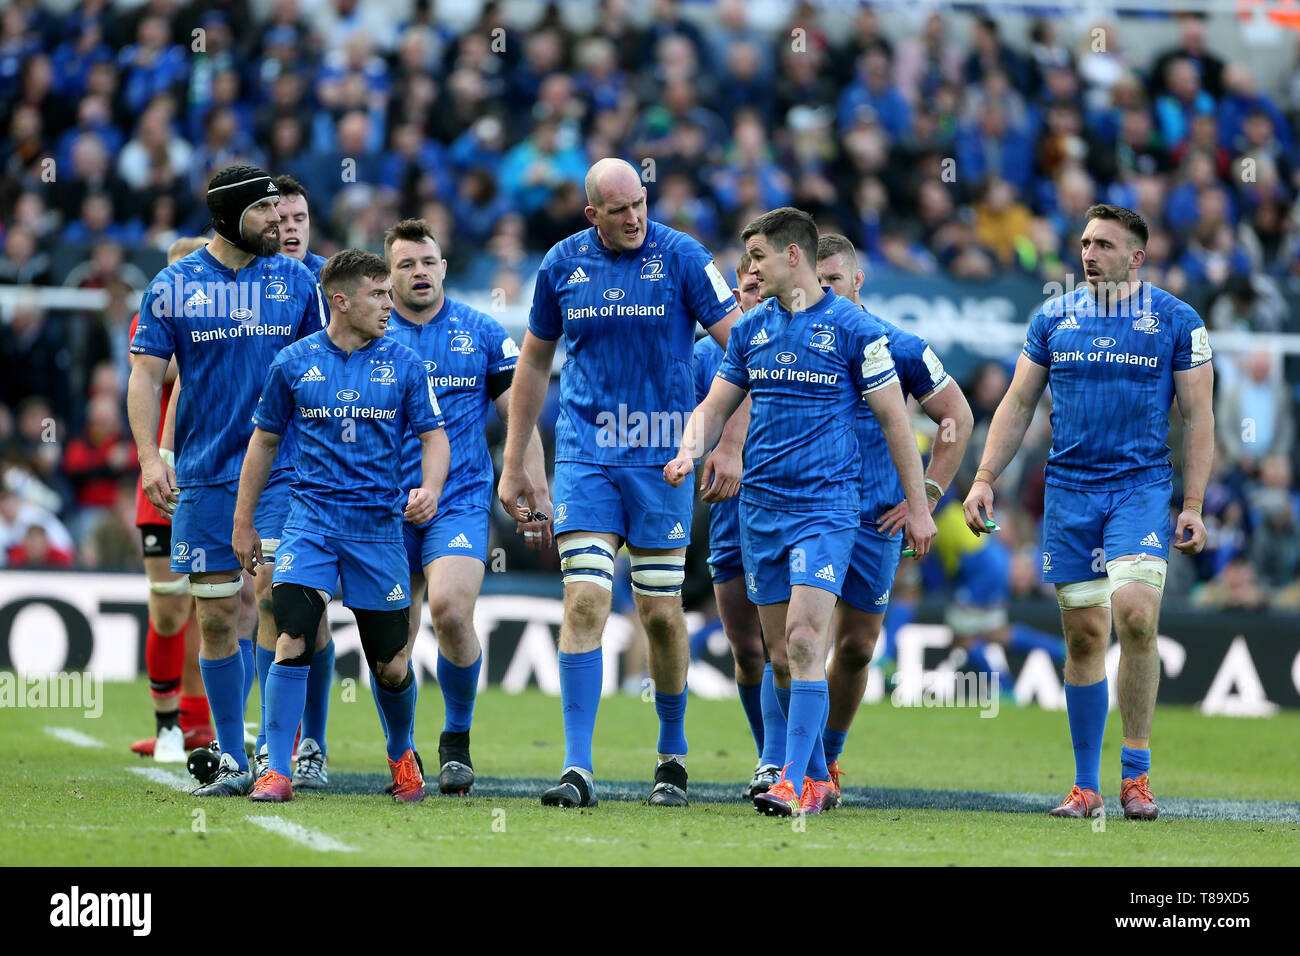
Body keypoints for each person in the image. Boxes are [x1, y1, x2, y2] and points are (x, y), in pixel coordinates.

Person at [666, 207, 936, 817]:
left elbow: (898, 421)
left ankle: (790, 781)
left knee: (806, 635)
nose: (751, 271)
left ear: (794, 257)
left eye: (758, 257)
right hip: (761, 511)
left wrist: (920, 507)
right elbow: (713, 406)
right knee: (781, 659)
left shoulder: (853, 330)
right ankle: (815, 776)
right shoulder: (753, 330)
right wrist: (689, 450)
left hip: (828, 510)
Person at [498, 157, 745, 809]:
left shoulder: (685, 257)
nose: (635, 217)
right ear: (592, 216)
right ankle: (578, 767)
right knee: (583, 603)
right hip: (587, 455)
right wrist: (518, 458)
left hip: (663, 459)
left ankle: (671, 757)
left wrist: (729, 444)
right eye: (619, 210)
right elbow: (534, 363)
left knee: (661, 613)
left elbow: (742, 350)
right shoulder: (561, 266)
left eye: (641, 203)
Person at [963, 204, 1214, 820]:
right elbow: (1019, 404)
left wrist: (1195, 504)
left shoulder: (1178, 322)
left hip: (1139, 488)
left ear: (1137, 256)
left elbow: (1199, 417)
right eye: (1084, 242)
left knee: (1133, 616)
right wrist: (984, 478)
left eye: (1104, 244)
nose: (1089, 253)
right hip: (1069, 493)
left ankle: (1135, 776)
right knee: (1083, 635)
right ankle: (1083, 786)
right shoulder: (1052, 317)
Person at [128, 165, 325, 797]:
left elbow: (322, 371)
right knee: (214, 619)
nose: (281, 222)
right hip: (205, 474)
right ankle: (232, 753)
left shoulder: (298, 281)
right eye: (266, 211)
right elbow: (144, 377)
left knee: (272, 595)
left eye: (283, 211)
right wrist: (150, 460)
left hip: (282, 472)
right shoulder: (172, 285)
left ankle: (276, 752)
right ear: (230, 215)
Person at [233, 248, 450, 803]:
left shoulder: (405, 364)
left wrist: (429, 488)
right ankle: (276, 768)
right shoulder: (293, 362)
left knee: (391, 660)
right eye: (378, 294)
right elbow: (263, 441)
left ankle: (402, 753)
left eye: (388, 293)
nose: (389, 303)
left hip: (378, 530)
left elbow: (434, 437)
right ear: (341, 301)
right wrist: (244, 520)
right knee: (291, 635)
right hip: (310, 522)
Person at [383, 217, 550, 795]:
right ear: (387, 276)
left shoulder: (479, 332)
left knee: (451, 612)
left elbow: (519, 418)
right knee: (391, 652)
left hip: (457, 500)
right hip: (384, 508)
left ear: (444, 267)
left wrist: (537, 489)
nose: (419, 272)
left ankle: (455, 740)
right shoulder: (371, 336)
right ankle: (401, 755)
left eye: (427, 262)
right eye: (405, 264)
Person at [814, 234, 973, 801]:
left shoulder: (898, 346)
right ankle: (788, 765)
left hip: (874, 520)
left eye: (834, 279)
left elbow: (955, 415)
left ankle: (827, 759)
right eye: (816, 278)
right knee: (798, 641)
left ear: (858, 281)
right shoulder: (791, 340)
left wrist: (924, 495)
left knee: (855, 647)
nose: (824, 288)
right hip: (807, 513)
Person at [246, 174, 334, 790]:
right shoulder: (241, 283)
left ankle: (310, 743)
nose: (291, 227)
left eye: (300, 217)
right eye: (281, 217)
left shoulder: (338, 285)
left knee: (306, 605)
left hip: (328, 471)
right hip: (266, 464)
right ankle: (271, 740)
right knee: (268, 595)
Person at [690, 252, 777, 798]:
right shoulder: (704, 355)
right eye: (745, 290)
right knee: (746, 648)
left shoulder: (806, 346)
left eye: (762, 291)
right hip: (728, 515)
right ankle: (771, 753)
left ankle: (784, 763)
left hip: (794, 511)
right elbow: (693, 415)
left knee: (787, 644)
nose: (753, 300)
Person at [127, 236, 211, 763]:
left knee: (214, 607)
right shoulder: (152, 319)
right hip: (164, 478)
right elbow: (174, 372)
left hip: (216, 474)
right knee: (169, 610)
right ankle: (166, 726)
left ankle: (198, 722)